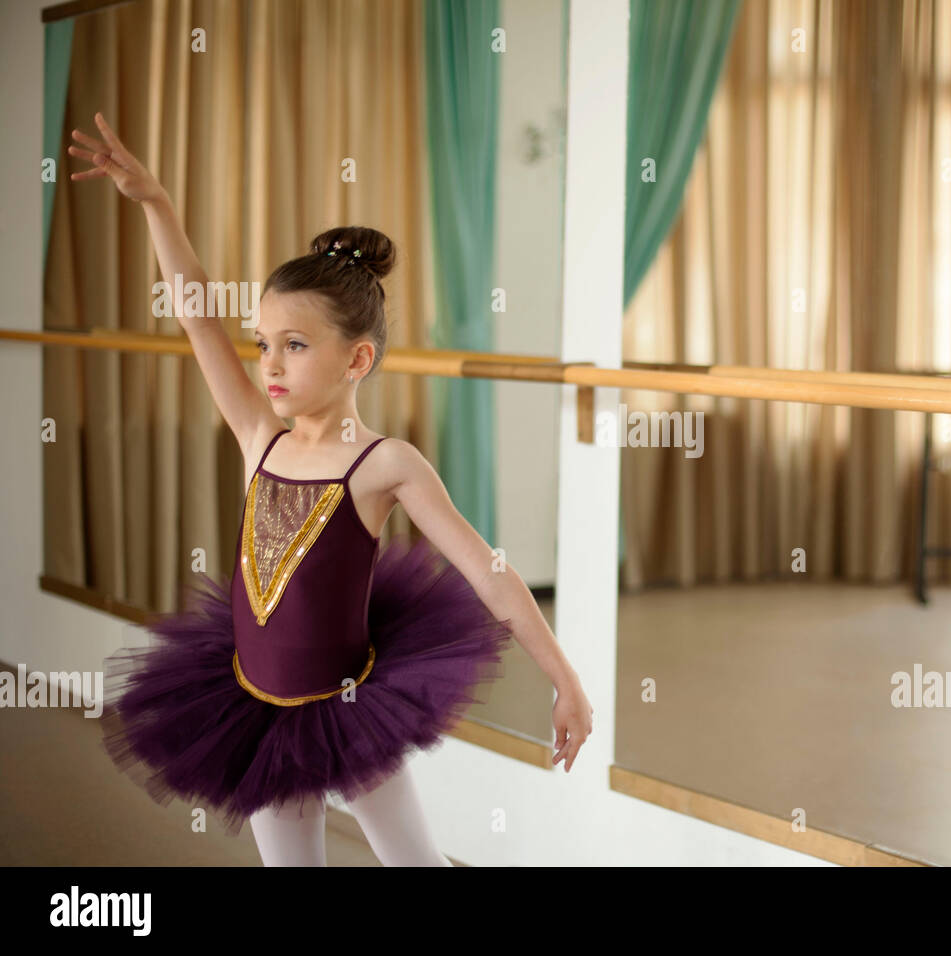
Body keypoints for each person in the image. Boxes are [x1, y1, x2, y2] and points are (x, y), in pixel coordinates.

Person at [69, 112, 594, 866]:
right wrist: (155, 202)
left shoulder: (386, 465)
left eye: (294, 345)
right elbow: (195, 317)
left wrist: (564, 678)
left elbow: (489, 569)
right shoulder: (262, 436)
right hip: (253, 701)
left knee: (412, 862)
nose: (269, 365)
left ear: (357, 360)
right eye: (263, 345)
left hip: (351, 706)